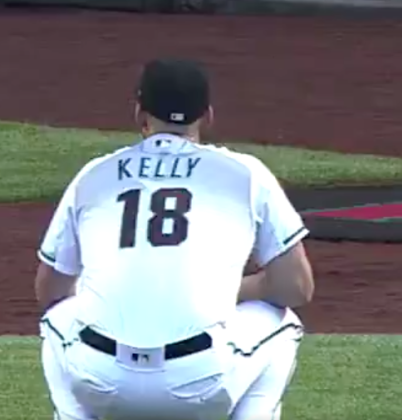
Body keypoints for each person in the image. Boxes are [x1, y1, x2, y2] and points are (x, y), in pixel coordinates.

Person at [36, 59, 314, 420]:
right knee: (282, 322)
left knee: (58, 318)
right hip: (199, 383)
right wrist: (229, 289)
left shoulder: (94, 174)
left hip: (101, 380)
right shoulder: (246, 174)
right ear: (208, 116)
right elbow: (296, 288)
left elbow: (50, 289)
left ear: (140, 114)